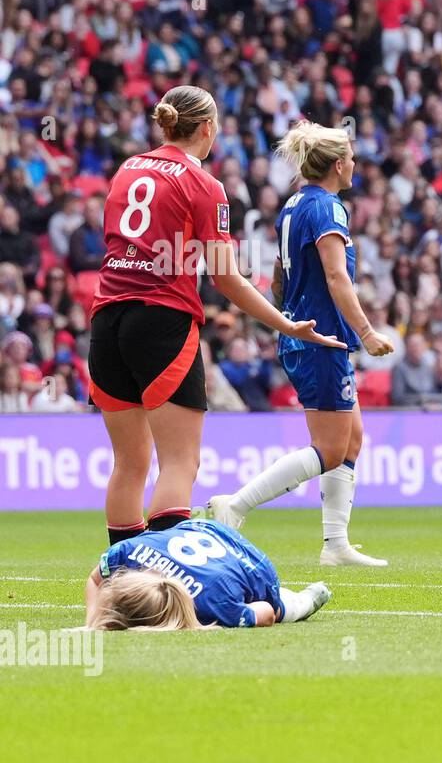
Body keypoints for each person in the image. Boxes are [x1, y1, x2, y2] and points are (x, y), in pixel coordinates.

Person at [89, 86, 342, 547]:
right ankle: (165, 582)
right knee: (180, 463)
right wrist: (284, 323)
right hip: (162, 320)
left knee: (129, 464)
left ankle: (122, 580)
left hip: (107, 318)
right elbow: (226, 279)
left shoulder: (127, 169)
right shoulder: (205, 185)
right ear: (207, 128)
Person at [196, 121, 395, 567]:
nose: (355, 167)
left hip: (307, 332)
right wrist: (366, 331)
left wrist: (288, 322)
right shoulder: (328, 207)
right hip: (321, 336)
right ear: (339, 164)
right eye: (352, 159)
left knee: (352, 441)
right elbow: (335, 275)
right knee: (328, 450)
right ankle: (236, 506)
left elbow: (283, 275)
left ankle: (336, 545)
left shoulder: (294, 204)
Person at [84, 518, 332, 630]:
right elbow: (95, 580)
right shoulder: (125, 550)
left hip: (253, 565)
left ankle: (306, 600)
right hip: (202, 526)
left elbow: (265, 613)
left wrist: (92, 623)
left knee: (274, 608)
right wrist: (93, 621)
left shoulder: (214, 605)